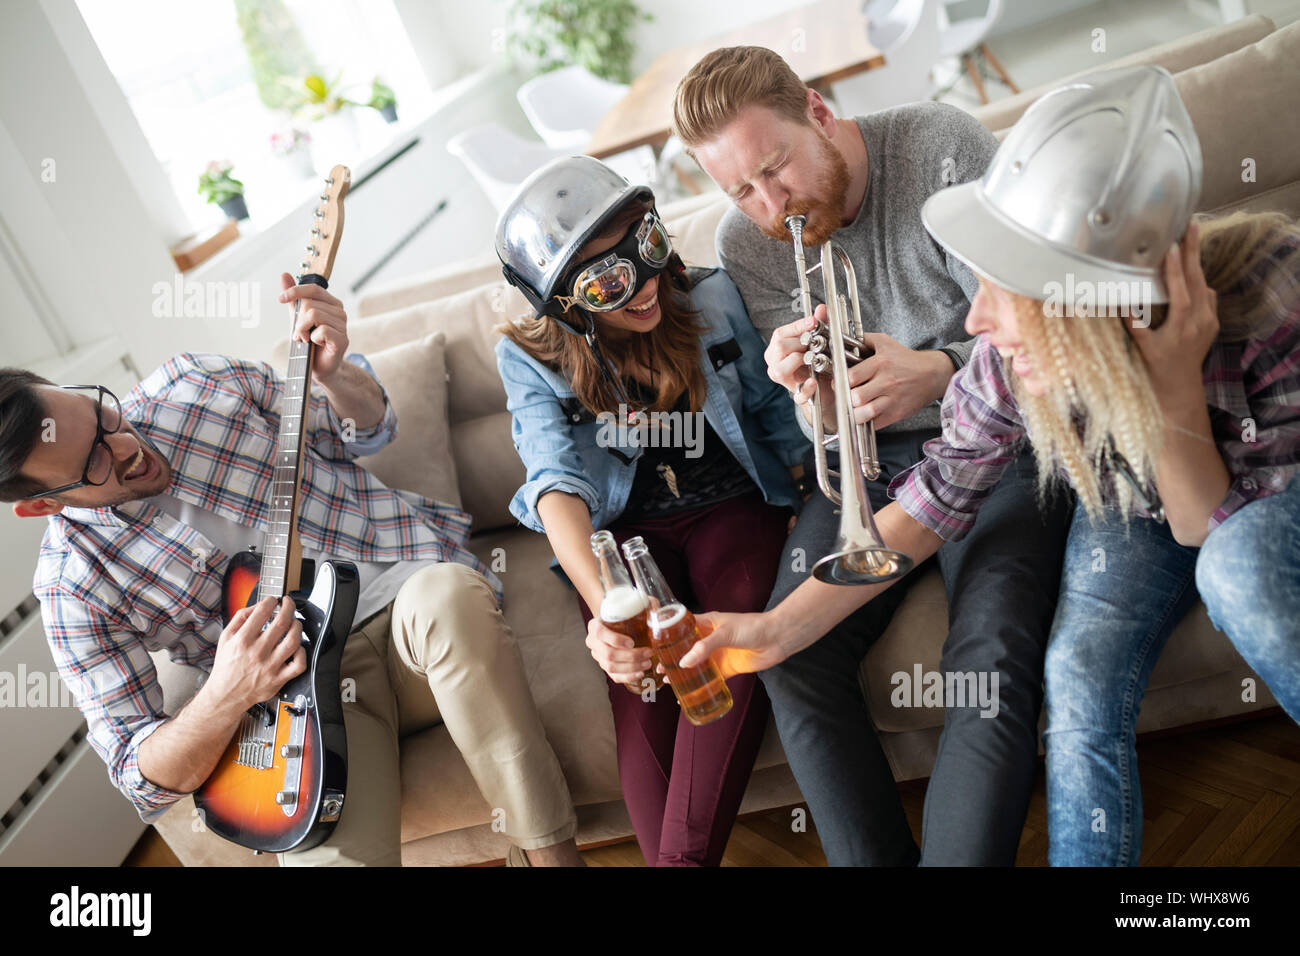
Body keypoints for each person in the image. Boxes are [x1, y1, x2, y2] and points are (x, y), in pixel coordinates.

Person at [678, 65, 1300, 866]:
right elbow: (932, 500)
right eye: (742, 191)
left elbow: (1203, 527)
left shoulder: (1266, 286)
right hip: (1115, 494)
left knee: (1222, 571)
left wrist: (1173, 383)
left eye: (1002, 287)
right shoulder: (1011, 359)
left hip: (1219, 503)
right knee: (1073, 677)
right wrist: (766, 633)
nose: (969, 317)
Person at [2, 274, 580, 867]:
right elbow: (138, 775)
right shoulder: (73, 586)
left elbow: (368, 429)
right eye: (94, 461)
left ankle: (552, 858)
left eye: (100, 413)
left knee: (449, 598)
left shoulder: (195, 383)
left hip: (417, 619)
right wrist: (224, 694)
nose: (124, 445)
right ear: (43, 504)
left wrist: (336, 374)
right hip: (305, 702)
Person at [665, 44, 1073, 865]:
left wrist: (941, 372)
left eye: (776, 170)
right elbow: (822, 425)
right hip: (867, 470)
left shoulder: (942, 149)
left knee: (985, 662)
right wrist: (809, 397)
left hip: (1001, 446)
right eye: (740, 189)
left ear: (818, 110)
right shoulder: (746, 245)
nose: (769, 204)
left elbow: (1050, 342)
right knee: (793, 660)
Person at [494, 156, 808, 865]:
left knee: (723, 647)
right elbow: (553, 482)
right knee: (641, 691)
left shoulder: (715, 298)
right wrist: (605, 615)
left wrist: (806, 495)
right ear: (561, 302)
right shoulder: (529, 358)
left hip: (733, 504)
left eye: (647, 248)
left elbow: (774, 415)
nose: (639, 285)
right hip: (621, 530)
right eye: (606, 282)